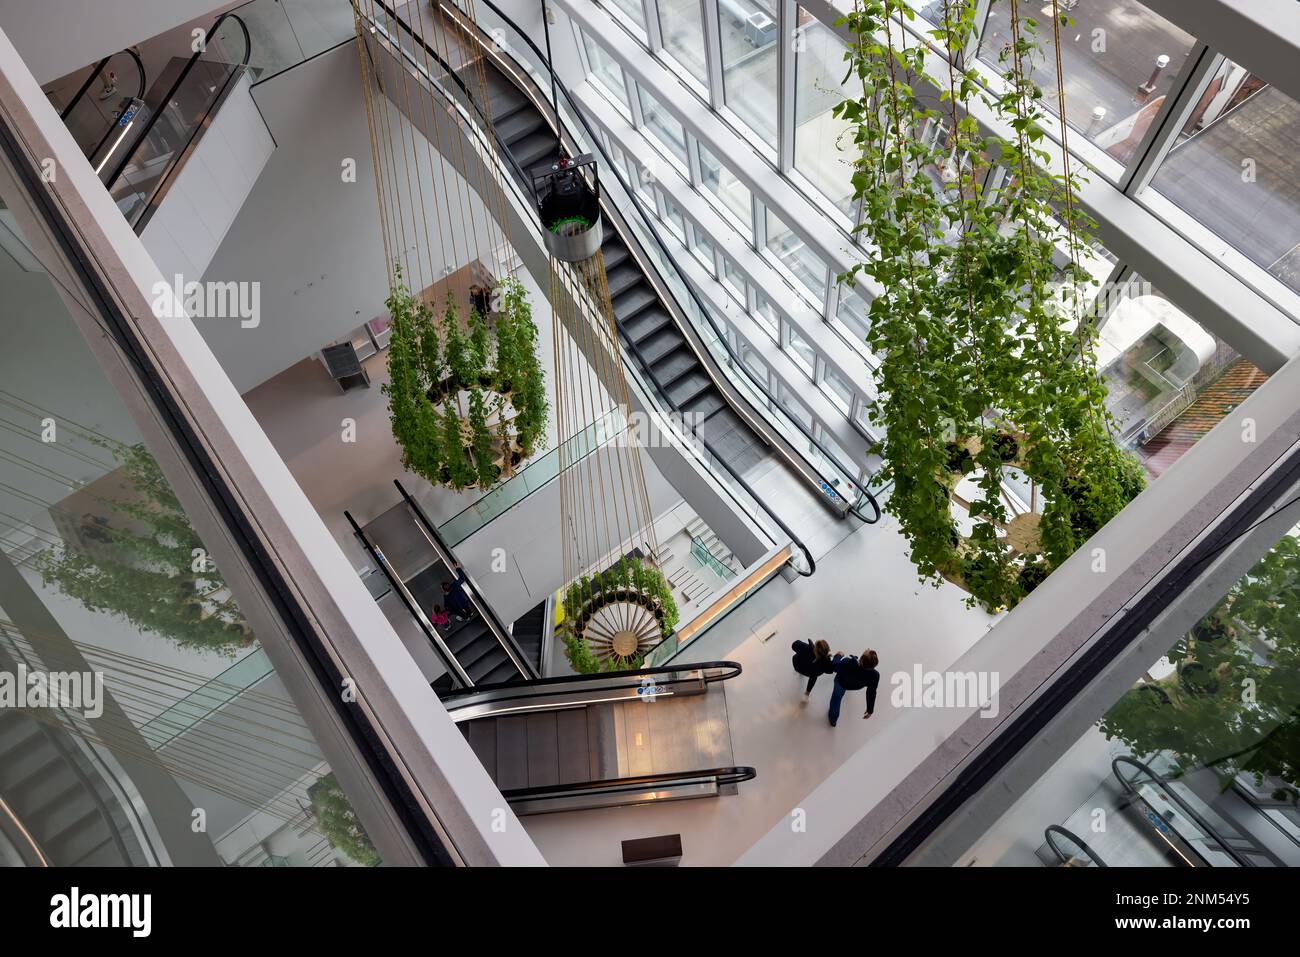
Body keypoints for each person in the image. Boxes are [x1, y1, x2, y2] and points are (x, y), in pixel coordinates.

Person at [828, 649, 880, 727]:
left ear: (862, 659)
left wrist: (838, 655)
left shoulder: (848, 662)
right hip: (855, 685)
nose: (867, 649)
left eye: (867, 651)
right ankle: (833, 721)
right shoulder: (875, 676)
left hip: (841, 683)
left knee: (836, 700)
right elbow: (871, 692)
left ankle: (833, 719)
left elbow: (834, 667)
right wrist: (870, 710)